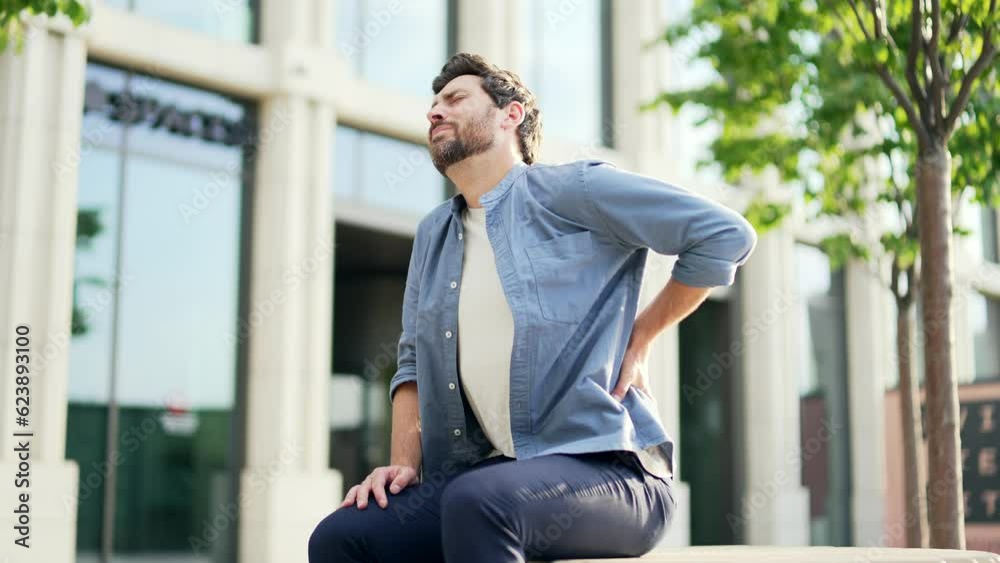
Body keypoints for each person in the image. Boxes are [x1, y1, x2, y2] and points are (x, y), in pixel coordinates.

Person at [309, 52, 757, 563]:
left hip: (613, 473)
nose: (435, 112)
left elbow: (724, 235)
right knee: (343, 537)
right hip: (487, 477)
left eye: (455, 99)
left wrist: (642, 334)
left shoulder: (573, 190)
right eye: (432, 105)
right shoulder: (434, 233)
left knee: (477, 503)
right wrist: (403, 465)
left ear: (511, 115)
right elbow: (411, 364)